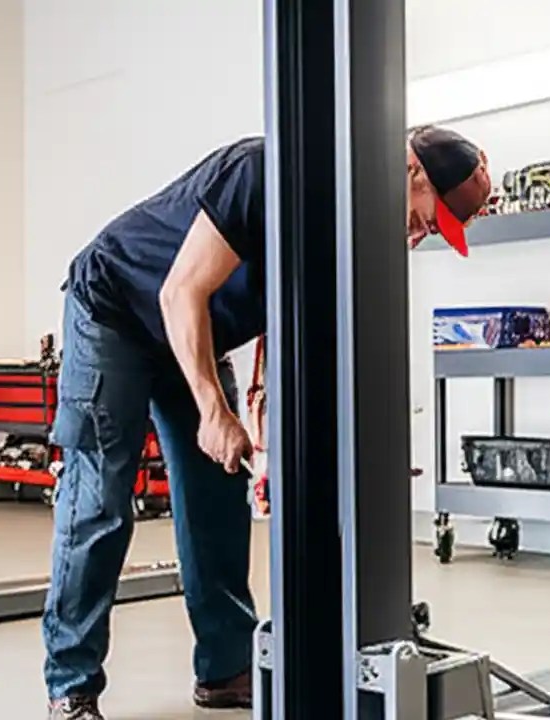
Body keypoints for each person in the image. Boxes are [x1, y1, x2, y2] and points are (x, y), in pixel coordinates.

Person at [43, 125, 491, 720]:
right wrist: (211, 410)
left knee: (218, 489)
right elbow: (181, 294)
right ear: (410, 171)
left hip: (194, 333)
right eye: (430, 217)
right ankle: (71, 686)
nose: (422, 233)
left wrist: (358, 442)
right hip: (117, 309)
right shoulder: (263, 174)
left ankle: (225, 668)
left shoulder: (349, 230)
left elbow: (305, 345)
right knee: (100, 496)